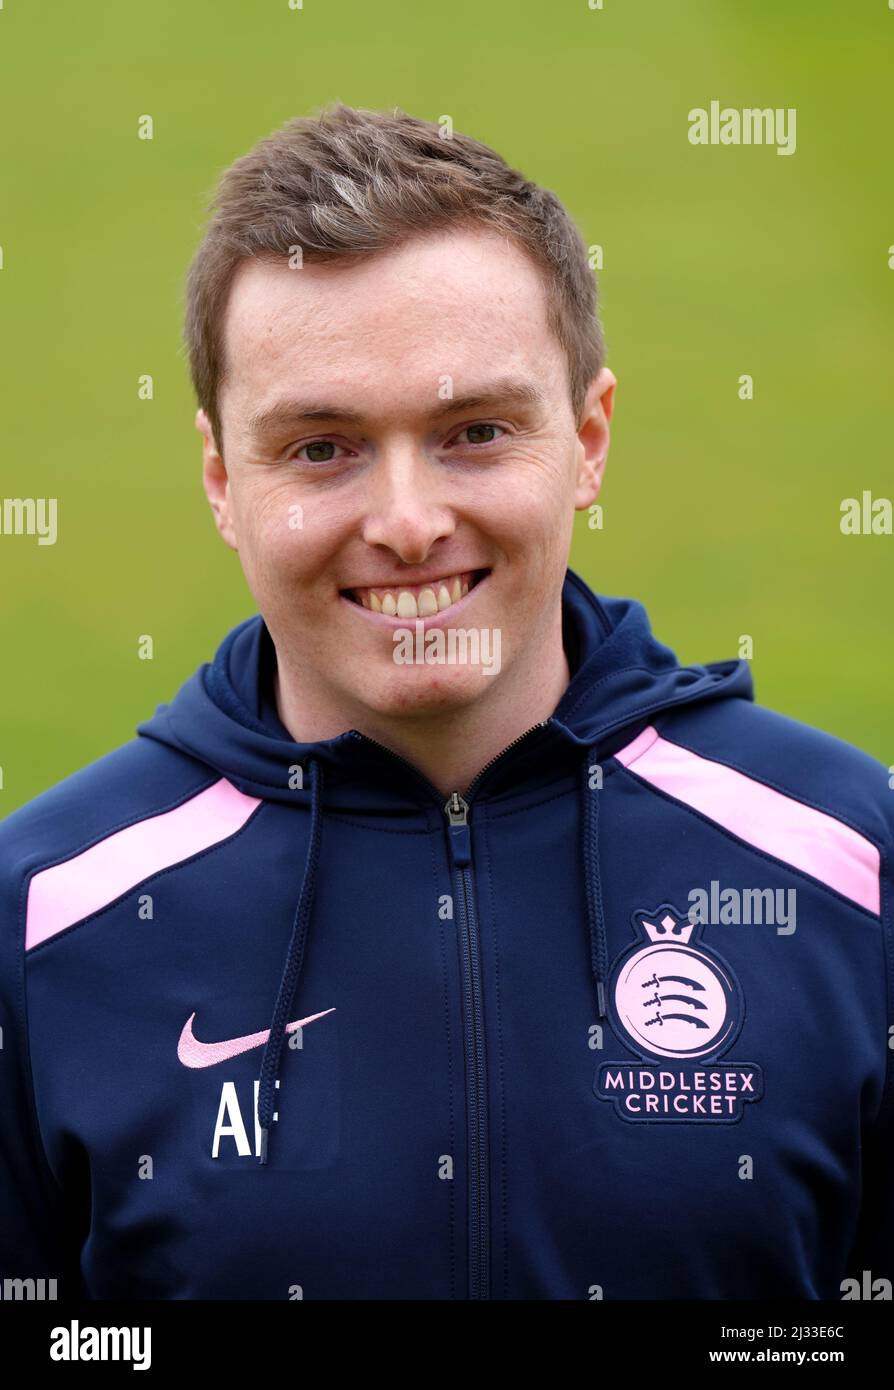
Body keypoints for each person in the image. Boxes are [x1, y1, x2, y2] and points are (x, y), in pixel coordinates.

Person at [1, 104, 891, 1302]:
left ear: (587, 438)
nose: (410, 522)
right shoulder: (44, 922)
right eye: (322, 447)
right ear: (222, 479)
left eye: (474, 431)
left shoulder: (852, 866)